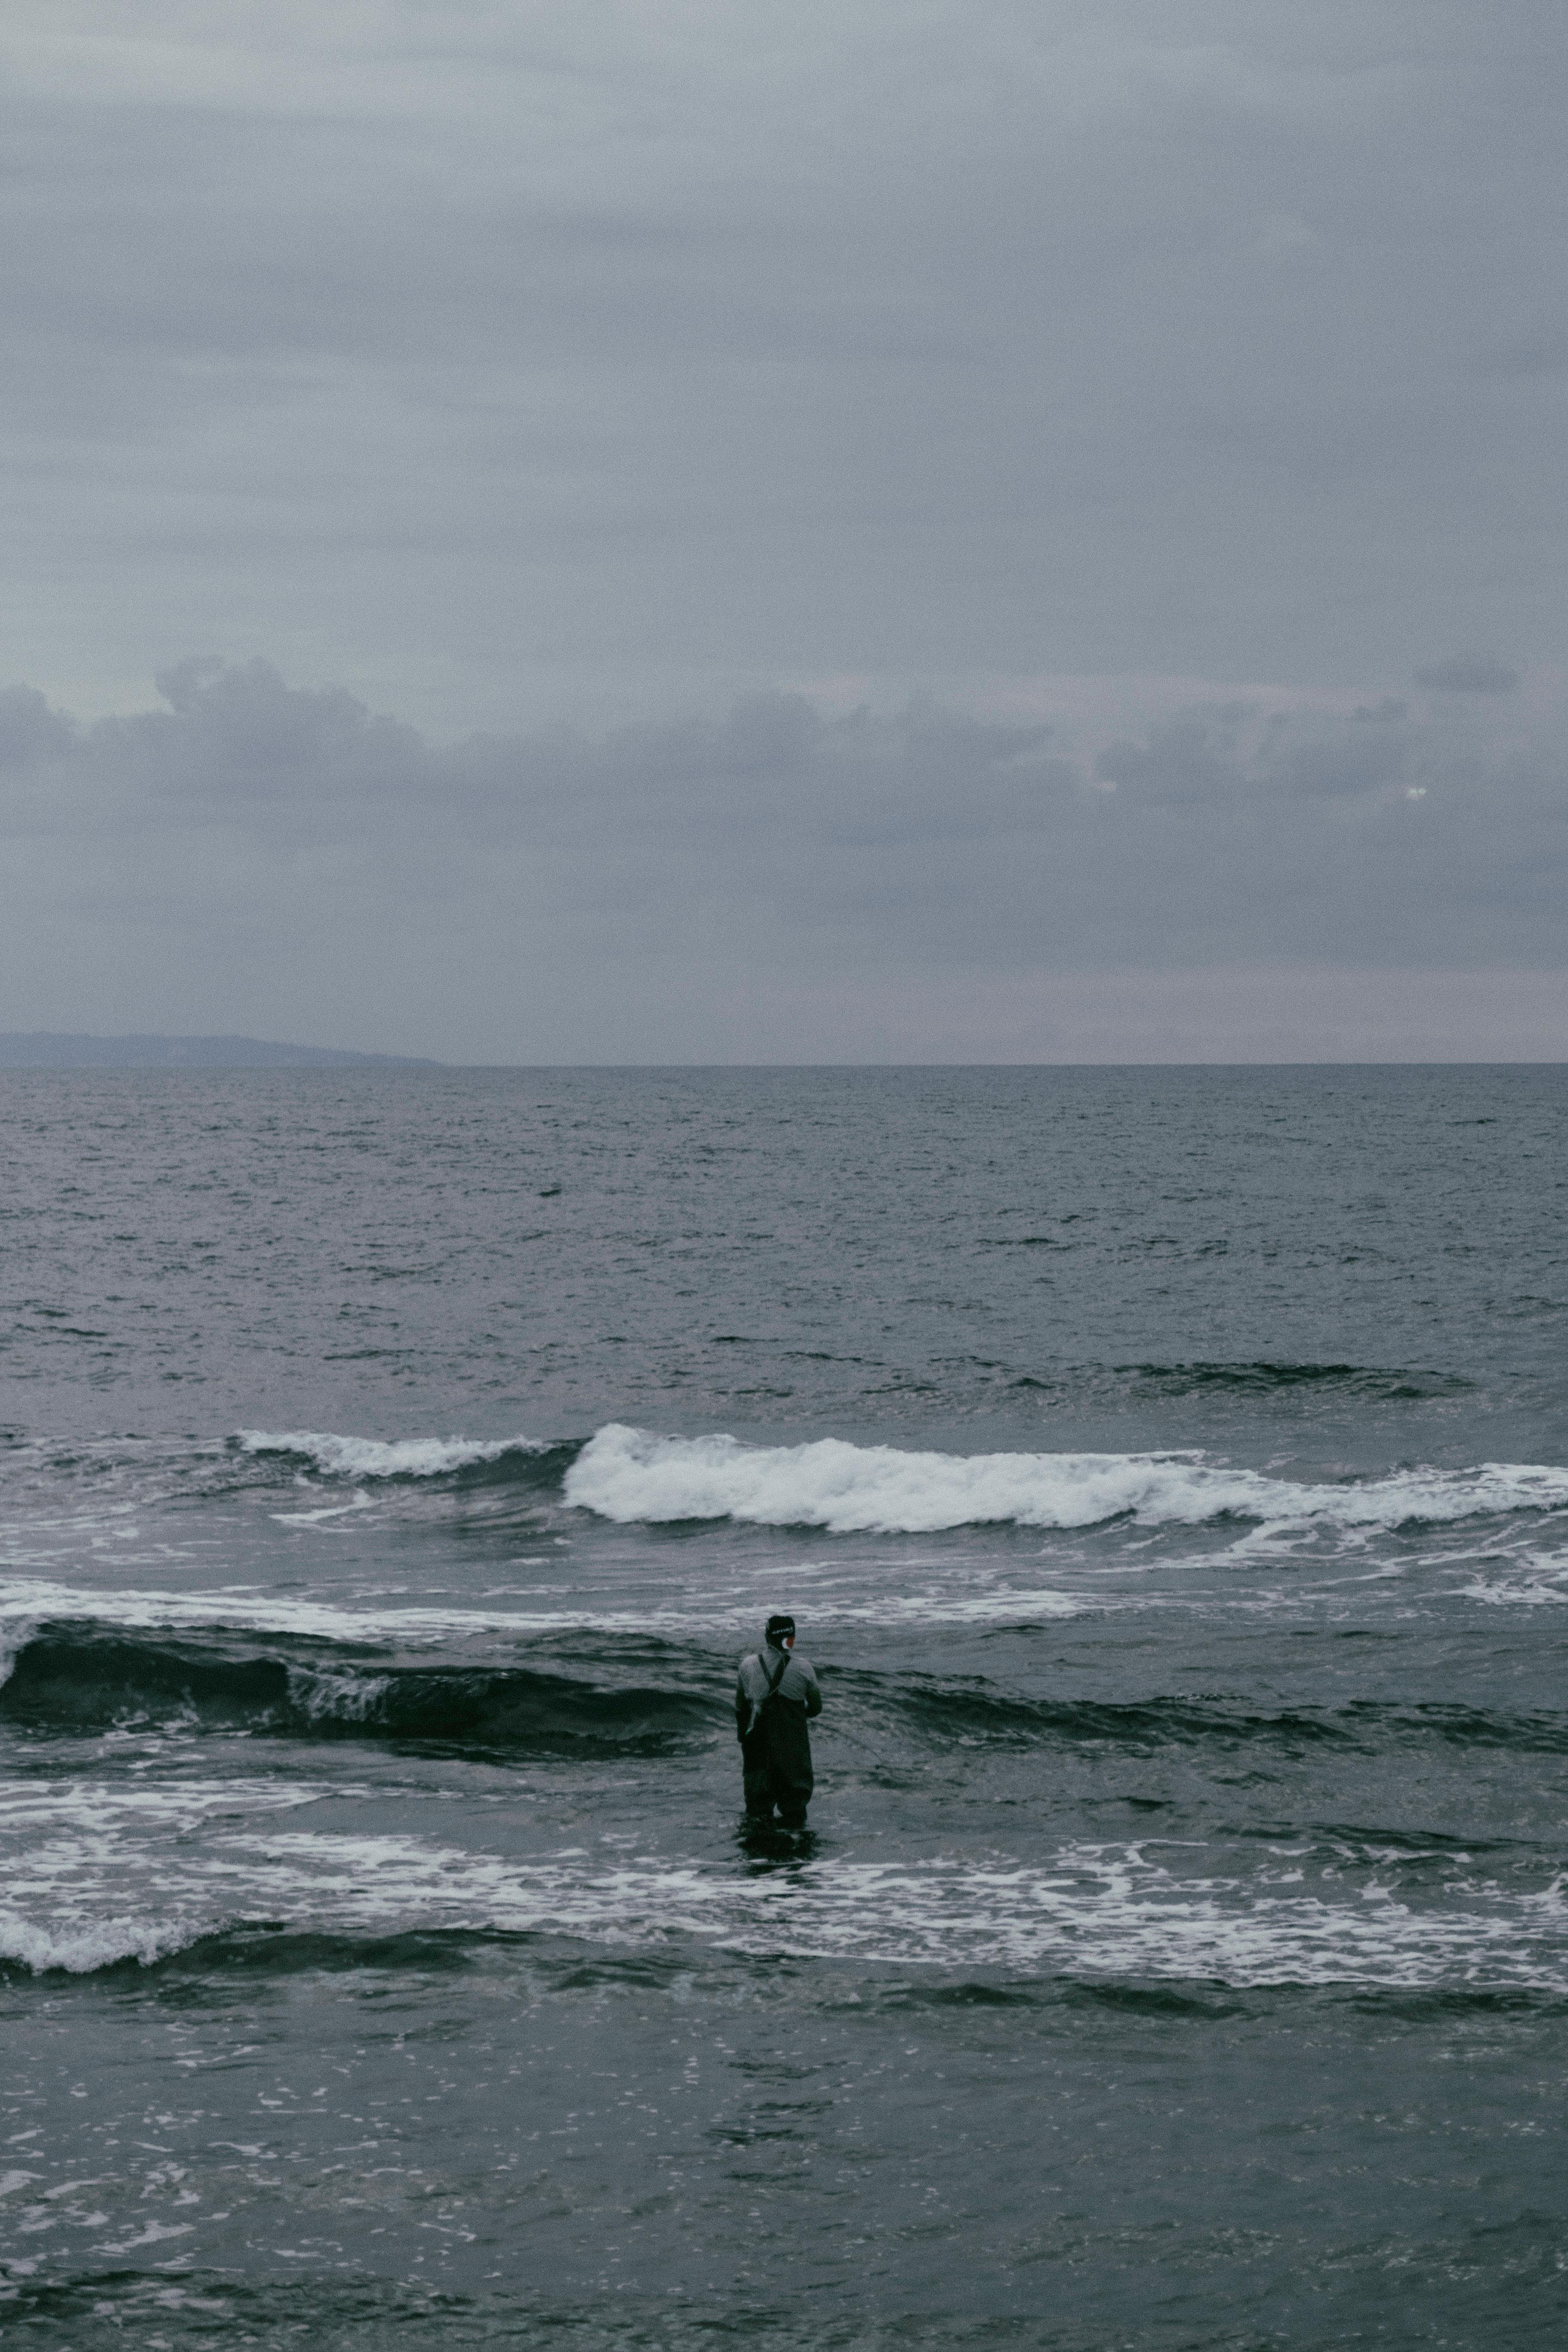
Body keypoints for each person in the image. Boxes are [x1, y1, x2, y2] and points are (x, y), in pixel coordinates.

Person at [735, 1613, 822, 1827]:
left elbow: (740, 1707)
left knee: (757, 1812)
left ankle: (758, 1854)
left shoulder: (747, 1665)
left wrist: (743, 1737)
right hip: (790, 1749)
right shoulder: (804, 1669)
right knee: (794, 1812)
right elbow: (816, 1708)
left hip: (757, 1747)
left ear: (767, 1637)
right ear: (792, 1638)